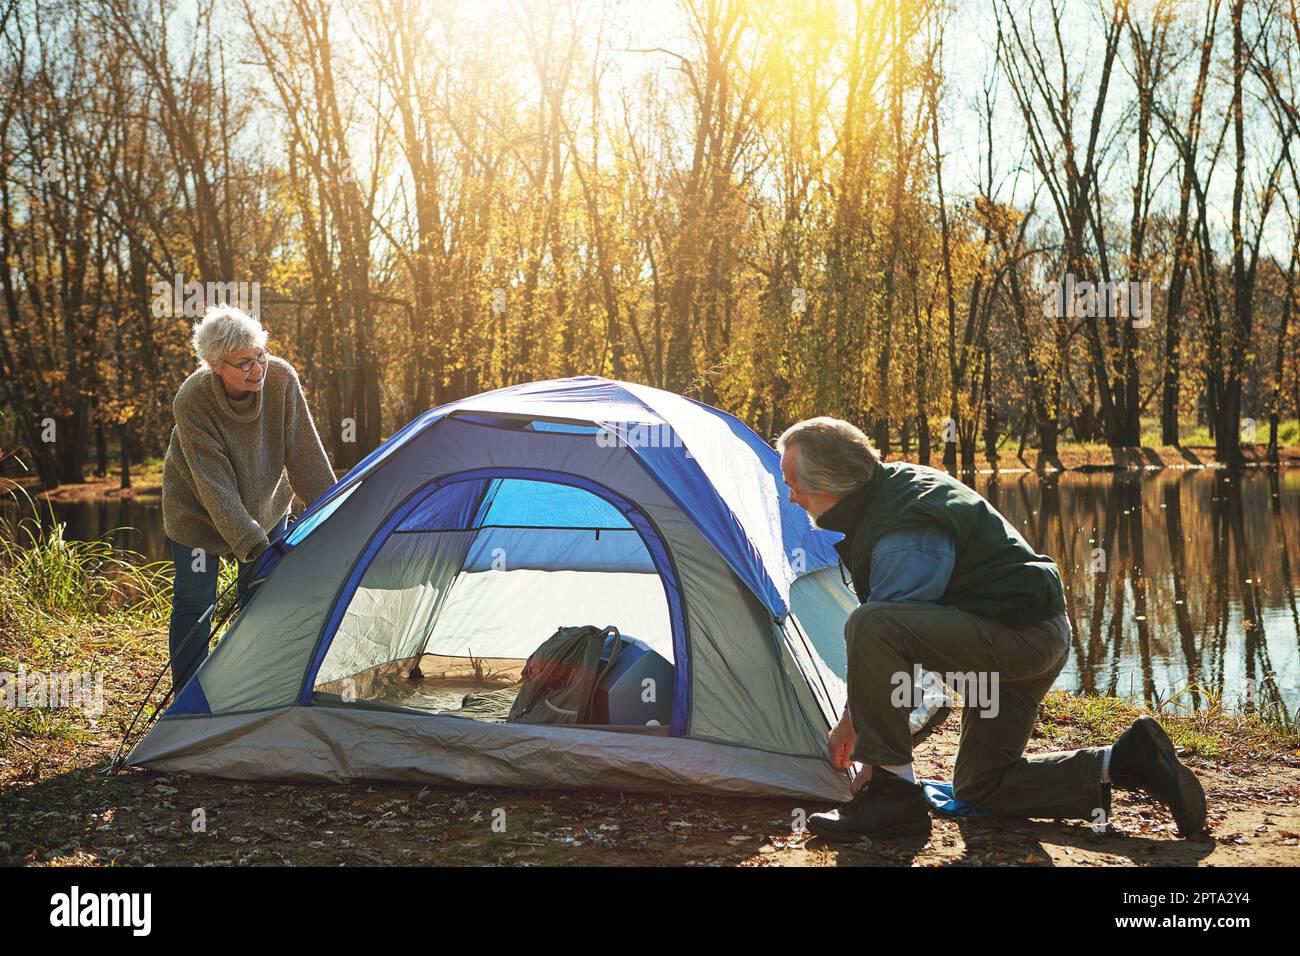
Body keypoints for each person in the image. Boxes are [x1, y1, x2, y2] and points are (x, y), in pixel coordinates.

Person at [776, 417, 1207, 841]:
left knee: (871, 624)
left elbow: (889, 641)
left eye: (795, 485)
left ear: (832, 481)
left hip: (1020, 641)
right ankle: (1129, 760)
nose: (792, 498)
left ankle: (893, 797)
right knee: (980, 785)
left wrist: (870, 756)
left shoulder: (904, 529)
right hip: (1025, 636)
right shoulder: (893, 489)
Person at [161, 306, 336, 692]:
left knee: (261, 599)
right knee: (195, 602)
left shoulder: (281, 380)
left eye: (261, 356)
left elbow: (305, 456)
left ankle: (252, 689)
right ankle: (188, 698)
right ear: (215, 364)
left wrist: (336, 516)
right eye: (244, 363)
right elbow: (214, 485)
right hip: (197, 513)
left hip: (267, 504)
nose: (257, 369)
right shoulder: (192, 400)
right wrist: (255, 546)